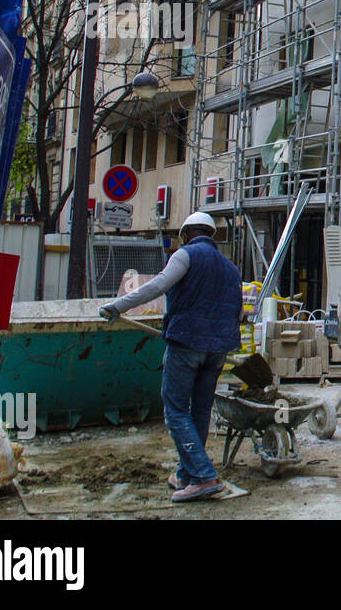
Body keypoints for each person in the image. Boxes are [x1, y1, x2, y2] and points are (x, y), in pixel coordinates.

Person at [100, 211, 242, 503]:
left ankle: (203, 476)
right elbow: (239, 312)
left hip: (187, 342)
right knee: (200, 411)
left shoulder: (185, 255)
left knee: (176, 409)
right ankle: (187, 473)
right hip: (218, 349)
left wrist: (117, 306)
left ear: (187, 234)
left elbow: (157, 286)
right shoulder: (231, 268)